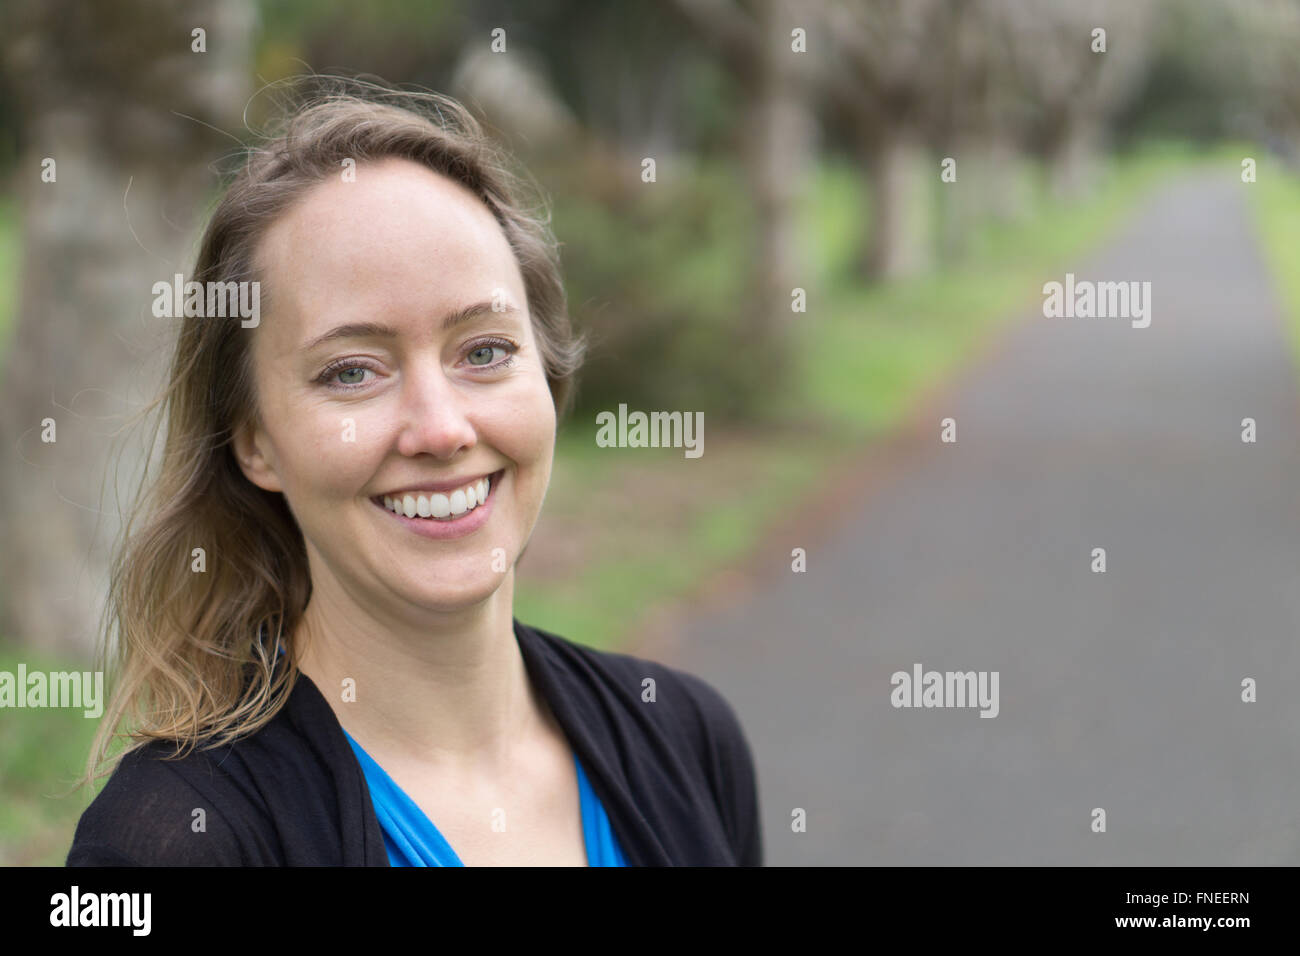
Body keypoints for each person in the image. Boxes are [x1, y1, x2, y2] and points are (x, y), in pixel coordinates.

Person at [65, 81, 762, 867]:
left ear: (549, 379)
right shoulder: (170, 842)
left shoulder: (687, 739)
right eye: (352, 371)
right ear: (256, 442)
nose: (440, 429)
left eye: (485, 352)